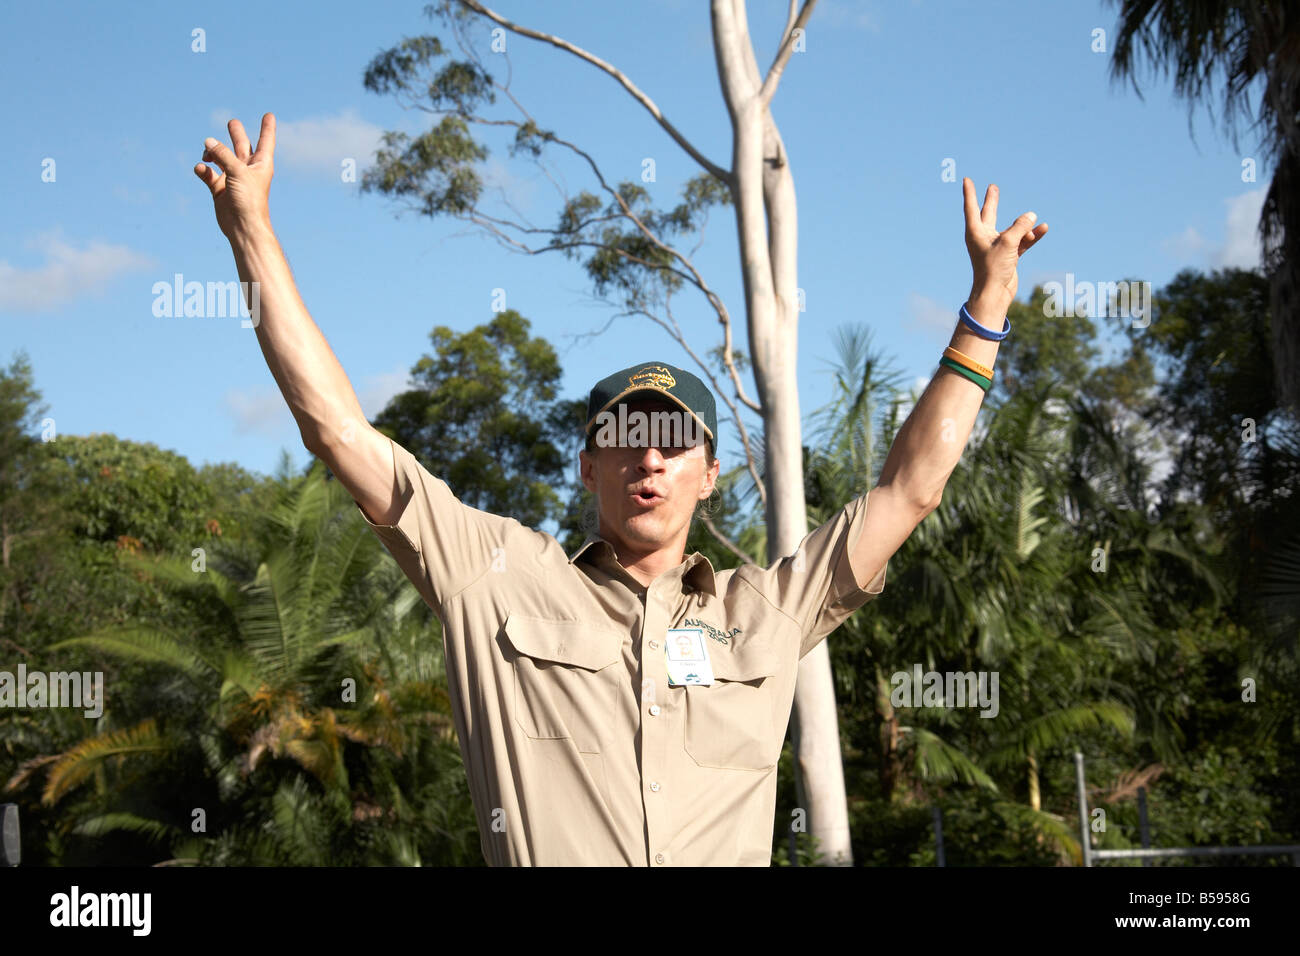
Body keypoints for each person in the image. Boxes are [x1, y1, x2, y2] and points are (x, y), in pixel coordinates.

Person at [195, 113, 1048, 866]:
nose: (649, 460)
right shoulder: (493, 579)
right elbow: (338, 430)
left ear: (708, 475)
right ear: (588, 467)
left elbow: (910, 491)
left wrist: (990, 298)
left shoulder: (770, 612)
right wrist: (251, 232)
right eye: (625, 440)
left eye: (674, 442)